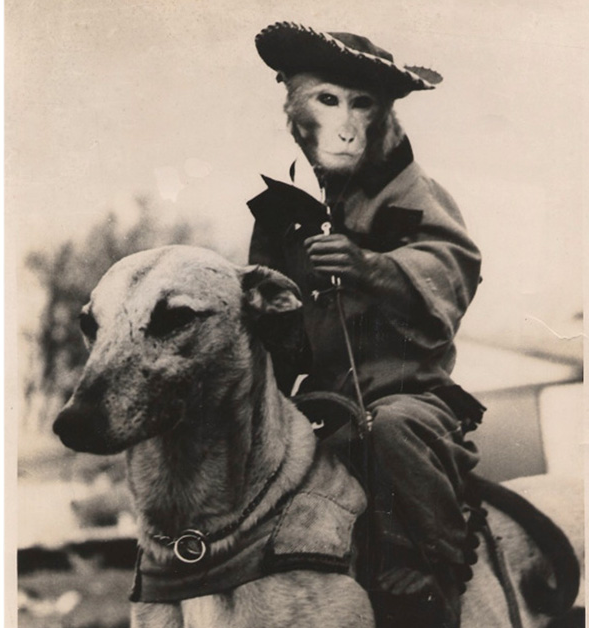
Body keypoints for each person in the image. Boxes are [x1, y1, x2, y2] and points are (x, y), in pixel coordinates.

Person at [246, 22, 483, 628]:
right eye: (327, 100)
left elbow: (453, 267)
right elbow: (276, 335)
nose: (346, 123)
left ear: (382, 117)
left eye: (363, 105)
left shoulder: (410, 192)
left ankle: (439, 561)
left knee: (393, 425)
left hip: (408, 398)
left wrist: (371, 268)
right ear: (293, 106)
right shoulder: (287, 213)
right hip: (322, 405)